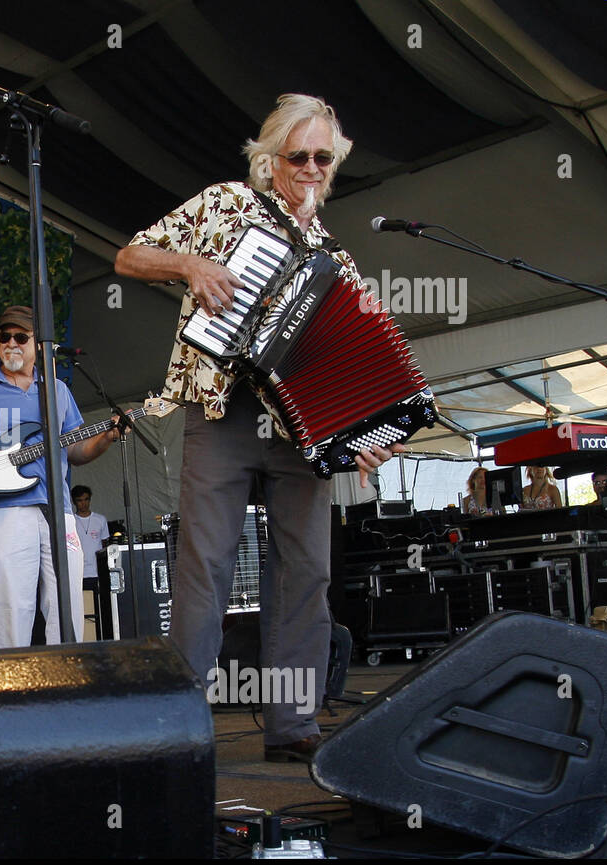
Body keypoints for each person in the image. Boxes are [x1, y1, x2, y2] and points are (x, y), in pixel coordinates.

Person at [114, 93, 399, 764]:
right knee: (204, 566)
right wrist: (190, 265)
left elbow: (347, 367)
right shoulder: (221, 205)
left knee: (305, 573)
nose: (309, 167)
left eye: (321, 157)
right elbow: (130, 257)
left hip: (303, 432)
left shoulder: (338, 258)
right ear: (269, 160)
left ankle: (294, 725)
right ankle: (180, 726)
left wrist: (364, 434)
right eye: (296, 155)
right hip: (221, 412)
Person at [0, 306, 118, 648]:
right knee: (13, 610)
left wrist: (106, 437)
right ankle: (12, 691)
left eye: (20, 337)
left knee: (67, 607)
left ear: (39, 345)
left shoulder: (56, 390)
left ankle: (66, 684)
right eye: (4, 337)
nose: (11, 343)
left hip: (59, 512)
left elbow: (75, 451)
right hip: (6, 513)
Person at [72, 485, 111, 586]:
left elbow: (105, 544)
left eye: (86, 499)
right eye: (79, 500)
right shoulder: (70, 521)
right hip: (77, 572)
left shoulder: (100, 519)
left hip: (97, 570)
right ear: (74, 502)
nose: (83, 503)